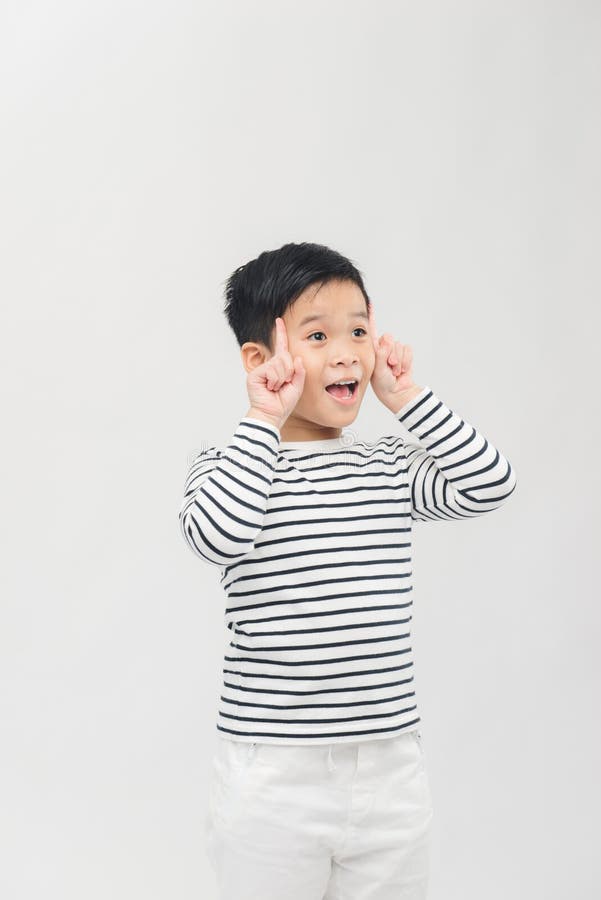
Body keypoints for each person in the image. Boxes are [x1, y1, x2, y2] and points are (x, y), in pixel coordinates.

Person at [178, 241, 517, 899]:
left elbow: (489, 484)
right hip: (273, 776)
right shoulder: (229, 465)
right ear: (259, 357)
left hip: (388, 772)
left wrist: (407, 397)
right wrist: (262, 418)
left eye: (358, 330)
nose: (346, 352)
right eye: (317, 334)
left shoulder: (385, 467)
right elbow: (216, 536)